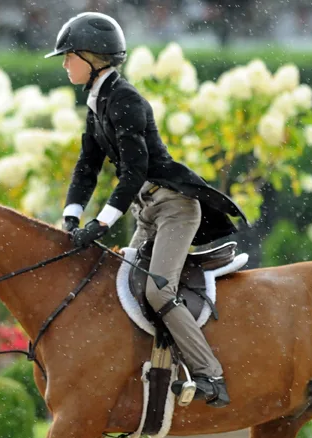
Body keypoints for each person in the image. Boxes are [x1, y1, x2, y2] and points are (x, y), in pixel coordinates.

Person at [45, 12, 247, 407]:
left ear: (92, 57)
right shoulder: (97, 103)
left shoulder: (126, 100)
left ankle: (209, 374)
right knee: (120, 286)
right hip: (146, 211)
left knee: (157, 290)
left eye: (69, 56)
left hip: (173, 208)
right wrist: (71, 214)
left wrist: (101, 224)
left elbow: (135, 171)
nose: (65, 63)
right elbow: (87, 166)